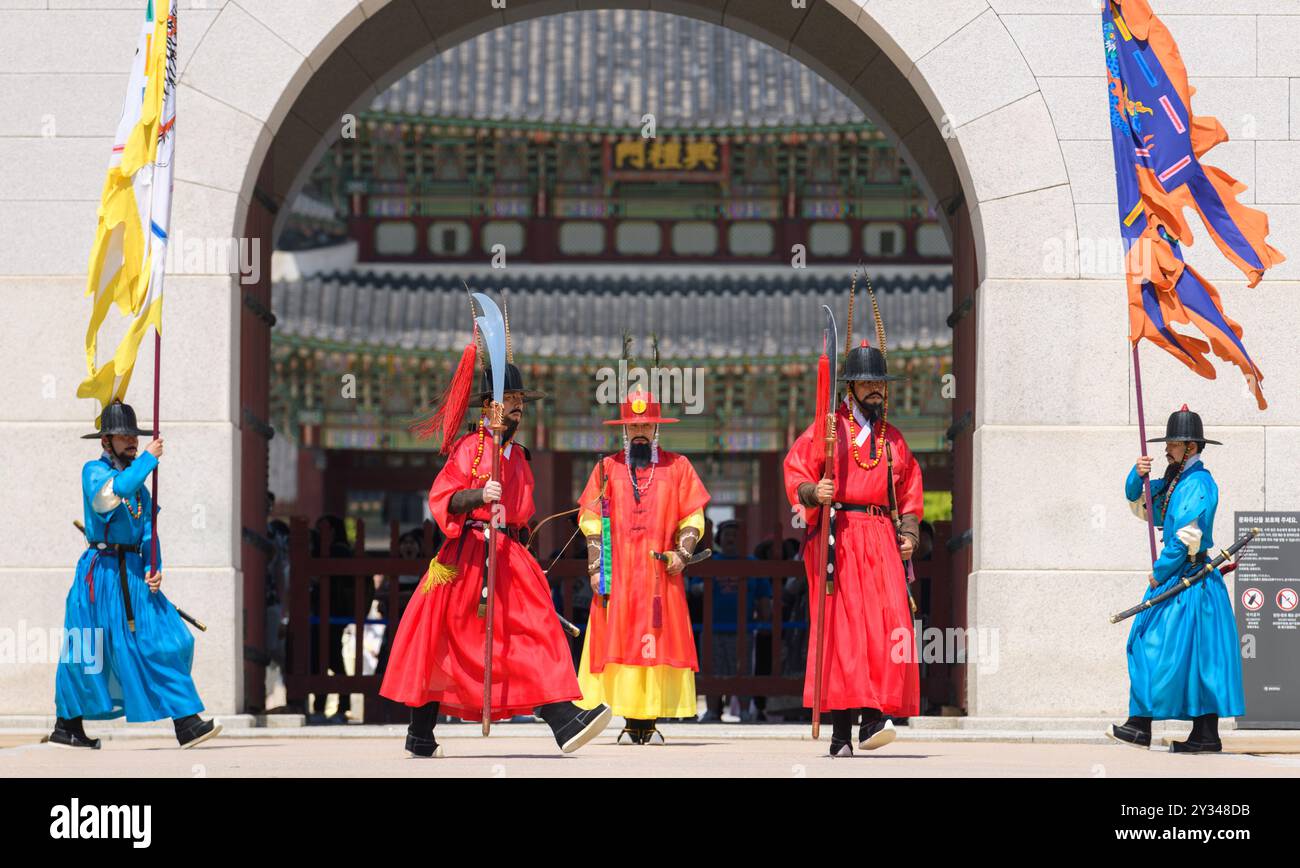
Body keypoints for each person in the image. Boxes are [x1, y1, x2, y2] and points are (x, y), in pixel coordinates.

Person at [379, 309, 610, 757]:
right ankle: (420, 732)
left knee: (532, 629)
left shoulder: (518, 457)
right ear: (490, 408)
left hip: (509, 557)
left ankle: (563, 717)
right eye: (510, 401)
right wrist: (478, 494)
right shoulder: (470, 447)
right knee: (442, 636)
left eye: (521, 402)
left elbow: (522, 513)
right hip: (468, 555)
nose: (517, 409)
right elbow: (443, 498)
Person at [784, 298, 923, 757]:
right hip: (839, 534)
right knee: (843, 631)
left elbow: (909, 489)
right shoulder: (828, 430)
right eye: (868, 384)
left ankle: (873, 717)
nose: (876, 392)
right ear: (851, 387)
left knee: (886, 625)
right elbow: (796, 472)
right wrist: (814, 492)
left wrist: (908, 532)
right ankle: (843, 731)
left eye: (880, 384)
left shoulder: (892, 438)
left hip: (881, 538)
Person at [49, 400, 220, 750]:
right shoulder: (94, 472)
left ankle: (186, 721)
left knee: (168, 638)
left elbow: (148, 532)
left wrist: (155, 567)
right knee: (86, 648)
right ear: (105, 441)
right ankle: (67, 725)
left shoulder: (139, 485)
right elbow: (109, 498)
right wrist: (148, 461)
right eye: (123, 436)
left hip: (132, 572)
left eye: (134, 436)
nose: (132, 441)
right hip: (100, 574)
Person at [575, 388, 710, 745]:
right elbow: (590, 519)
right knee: (619, 640)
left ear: (656, 428)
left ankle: (646, 721)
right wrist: (596, 567)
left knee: (656, 640)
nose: (640, 431)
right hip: (618, 573)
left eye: (646, 425)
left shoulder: (677, 467)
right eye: (633, 425)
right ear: (624, 429)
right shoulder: (606, 469)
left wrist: (682, 553)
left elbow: (693, 516)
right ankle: (628, 718)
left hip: (657, 575)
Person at [1110, 405, 1245, 753]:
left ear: (1190, 447)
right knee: (1183, 654)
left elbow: (1186, 536)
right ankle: (1159, 727)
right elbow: (1142, 501)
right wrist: (1135, 474)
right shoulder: (1177, 481)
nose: (1167, 450)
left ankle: (1160, 727)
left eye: (1172, 444)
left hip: (1190, 581)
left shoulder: (1198, 483)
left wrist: (1159, 573)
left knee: (1164, 648)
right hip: (1182, 580)